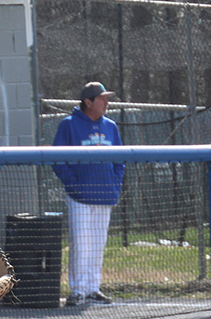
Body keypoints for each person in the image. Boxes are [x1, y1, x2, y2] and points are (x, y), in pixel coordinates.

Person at [52, 82, 125, 306]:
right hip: (80, 197)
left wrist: (114, 185)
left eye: (106, 98)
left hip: (104, 195)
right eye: (102, 99)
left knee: (98, 243)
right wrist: (73, 186)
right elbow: (57, 159)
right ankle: (78, 290)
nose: (106, 103)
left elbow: (120, 161)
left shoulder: (111, 126)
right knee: (81, 243)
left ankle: (93, 287)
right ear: (88, 102)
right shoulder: (69, 125)